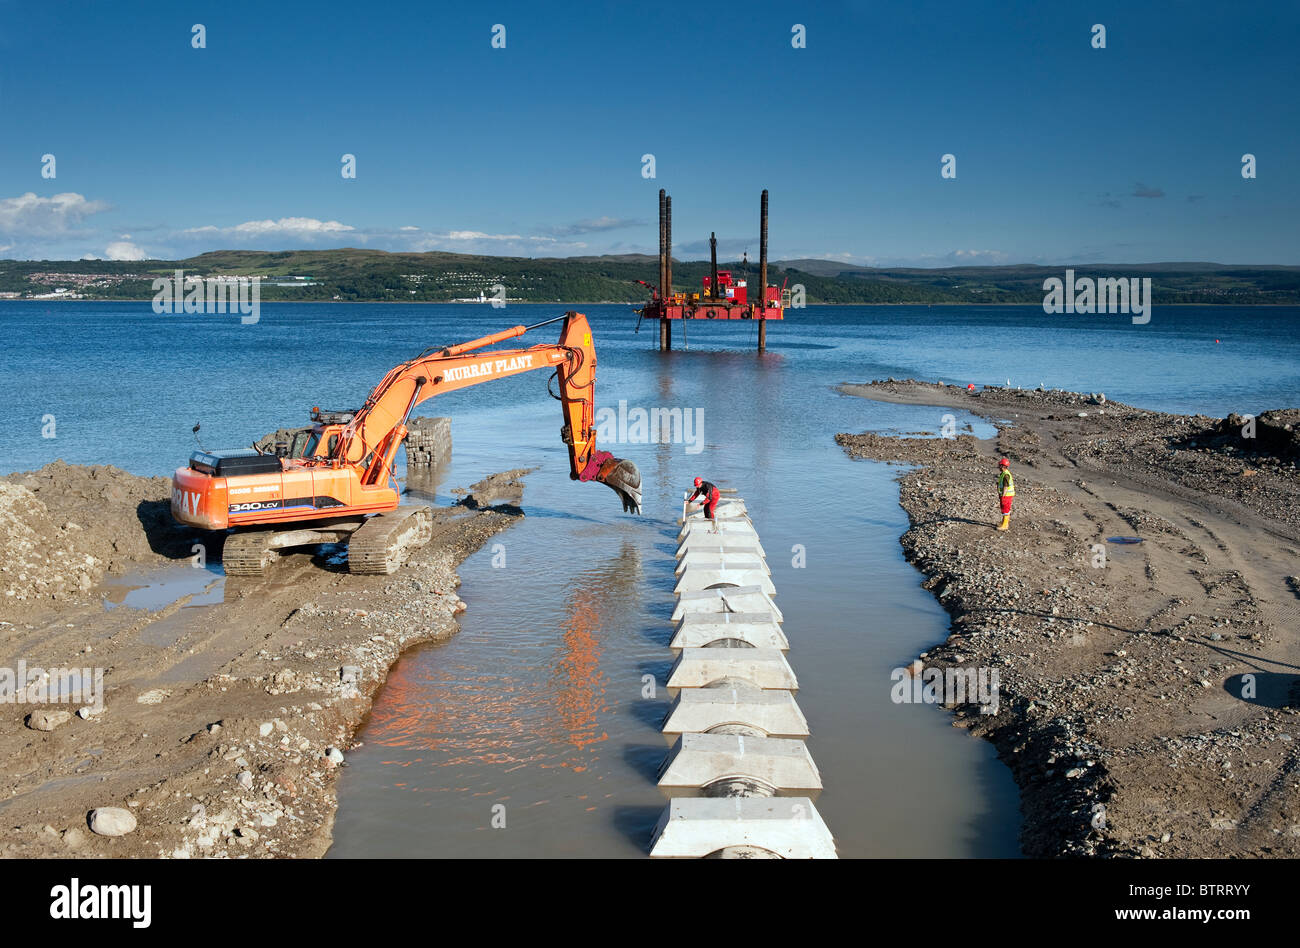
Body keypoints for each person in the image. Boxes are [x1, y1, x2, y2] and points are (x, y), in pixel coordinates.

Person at [996, 458, 1015, 531]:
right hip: (1006, 495)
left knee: (1005, 509)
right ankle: (1003, 522)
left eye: (1000, 465)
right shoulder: (1004, 473)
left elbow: (1006, 486)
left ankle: (1005, 525)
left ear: (1003, 466)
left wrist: (1003, 495)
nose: (999, 467)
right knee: (1004, 509)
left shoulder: (1006, 475)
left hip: (1006, 495)